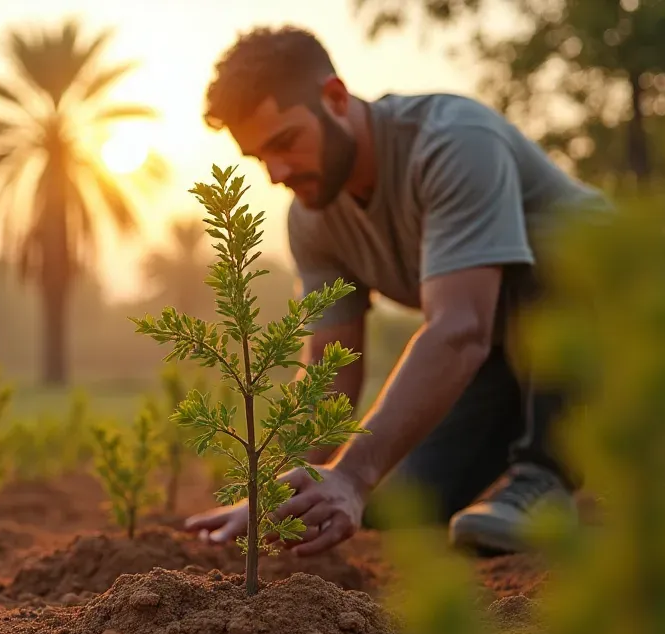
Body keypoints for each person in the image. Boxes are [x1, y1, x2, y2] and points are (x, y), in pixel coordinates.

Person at [183, 25, 609, 556]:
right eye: (259, 157)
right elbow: (332, 363)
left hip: (625, 304)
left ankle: (543, 479)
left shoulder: (452, 142)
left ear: (335, 98)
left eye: (286, 142)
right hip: (510, 352)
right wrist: (284, 486)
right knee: (399, 500)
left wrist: (352, 476)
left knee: (560, 240)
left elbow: (459, 329)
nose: (275, 173)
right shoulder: (314, 218)